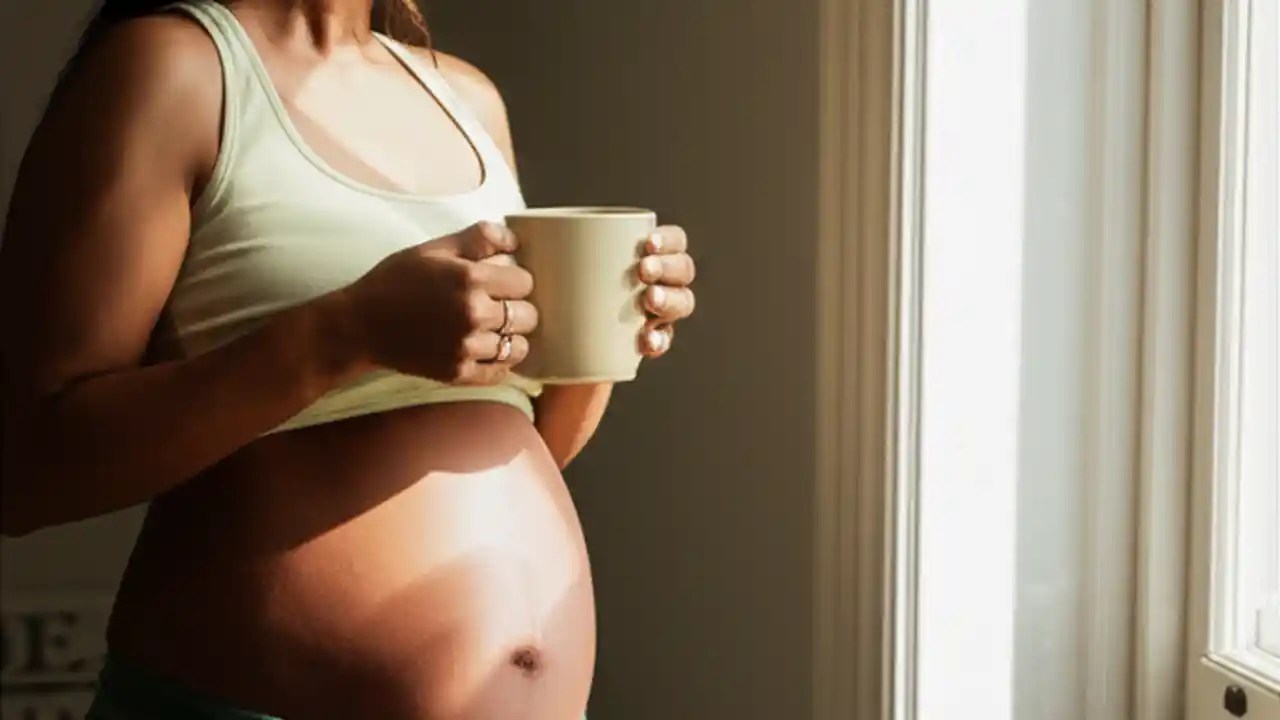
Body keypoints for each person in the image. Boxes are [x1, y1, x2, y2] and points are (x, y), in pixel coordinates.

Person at [0, 0, 697, 717]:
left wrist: (602, 334)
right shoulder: (172, 68)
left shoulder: (465, 98)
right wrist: (346, 332)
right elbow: (29, 468)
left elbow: (508, 448)